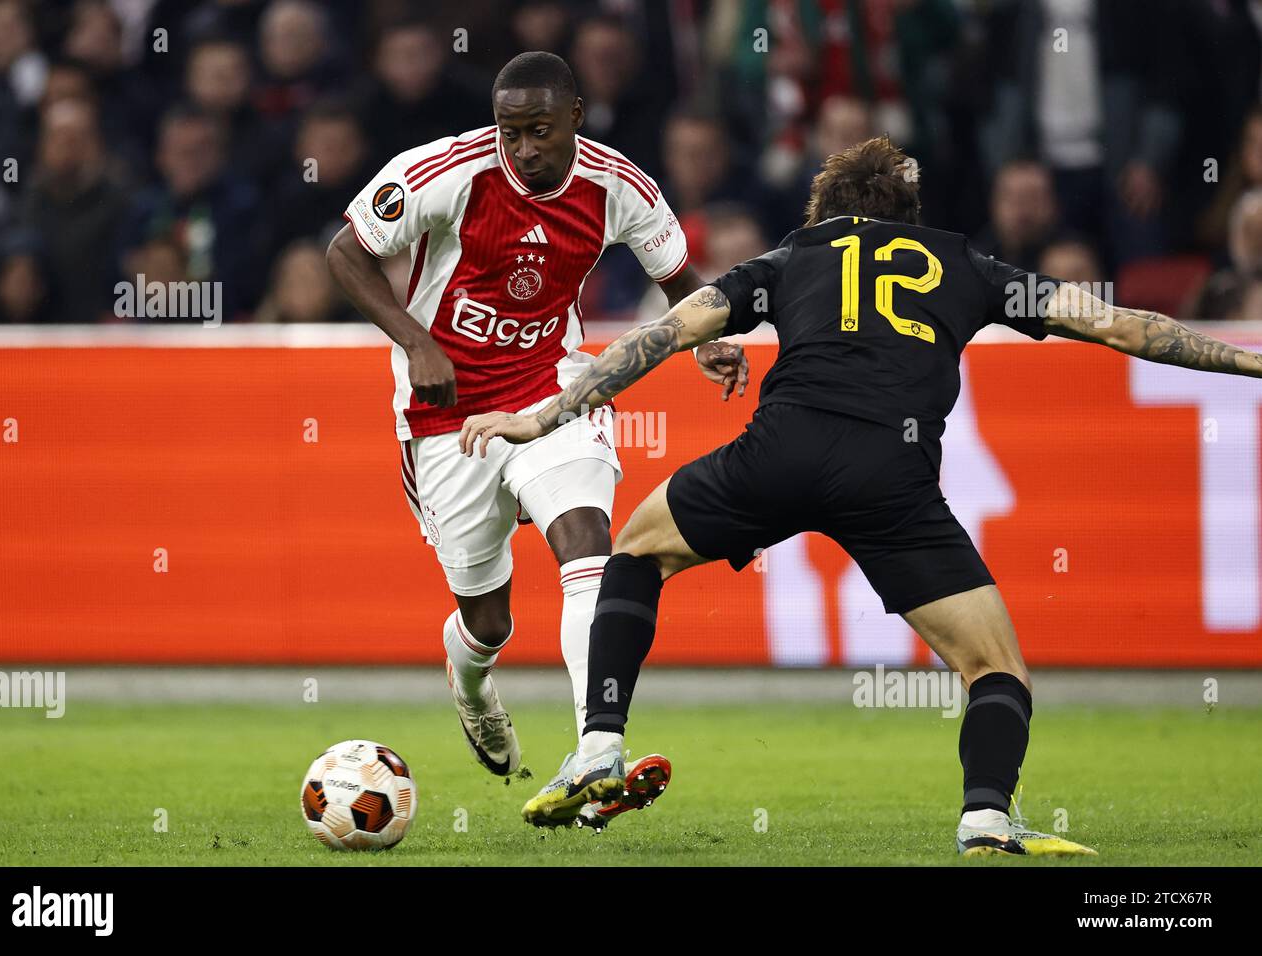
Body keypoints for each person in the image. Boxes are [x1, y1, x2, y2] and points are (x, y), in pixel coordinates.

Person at [459, 135, 1262, 854]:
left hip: (780, 453)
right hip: (891, 478)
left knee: (634, 550)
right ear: (908, 214)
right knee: (996, 671)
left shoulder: (788, 259)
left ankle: (600, 742)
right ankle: (985, 818)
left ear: (825, 210)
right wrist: (1250, 361)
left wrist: (546, 417)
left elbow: (658, 337)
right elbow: (1122, 326)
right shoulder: (969, 266)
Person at [325, 51, 746, 829]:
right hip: (445, 417)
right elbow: (345, 252)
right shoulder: (443, 173)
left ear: (576, 119)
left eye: (540, 131)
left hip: (553, 391)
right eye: (510, 132)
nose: (523, 149)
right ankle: (475, 685)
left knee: (590, 543)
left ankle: (596, 749)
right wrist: (417, 341)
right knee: (487, 619)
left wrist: (710, 342)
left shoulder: (620, 186)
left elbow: (684, 286)